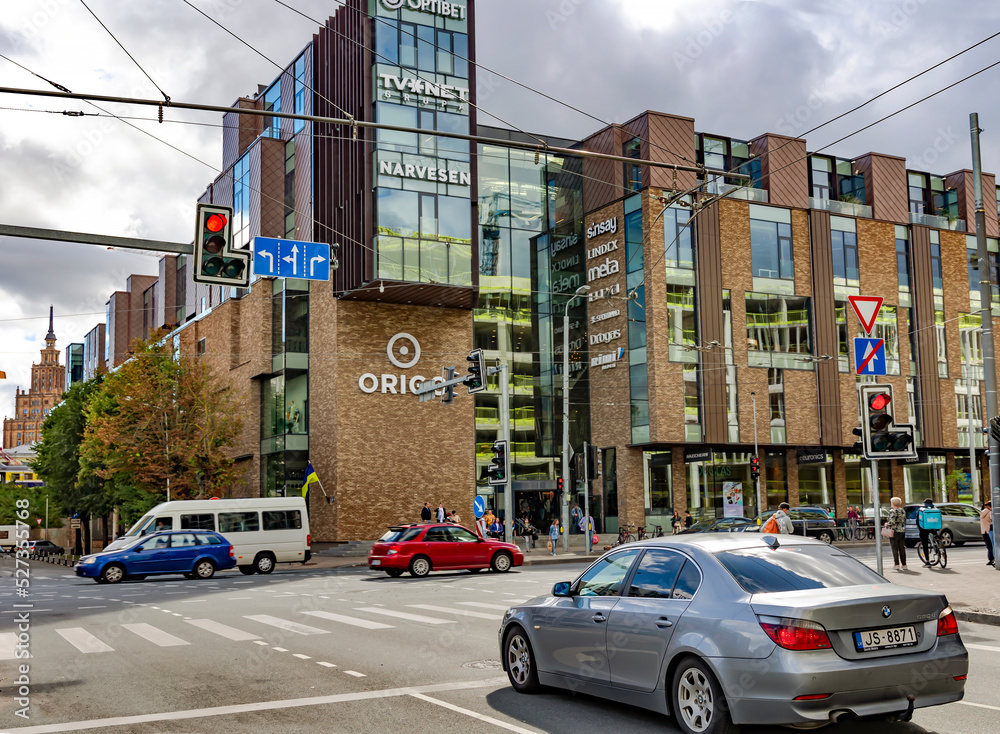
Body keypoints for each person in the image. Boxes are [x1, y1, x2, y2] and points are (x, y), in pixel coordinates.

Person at [887, 497, 907, 571]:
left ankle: (896, 564)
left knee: (895, 548)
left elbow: (892, 521)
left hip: (894, 531)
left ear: (892, 503)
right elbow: (904, 520)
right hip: (902, 531)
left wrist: (887, 524)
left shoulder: (893, 511)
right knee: (902, 547)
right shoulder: (902, 511)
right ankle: (904, 564)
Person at [919, 498, 935, 566]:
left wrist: (920, 529)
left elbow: (918, 521)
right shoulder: (935, 509)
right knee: (937, 539)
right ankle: (940, 551)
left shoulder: (921, 510)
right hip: (934, 529)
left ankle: (927, 561)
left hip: (924, 530)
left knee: (925, 545)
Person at [981, 501, 994, 567]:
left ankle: (990, 558)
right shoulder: (990, 512)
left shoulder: (983, 512)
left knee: (989, 546)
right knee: (993, 545)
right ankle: (993, 558)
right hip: (990, 530)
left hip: (984, 530)